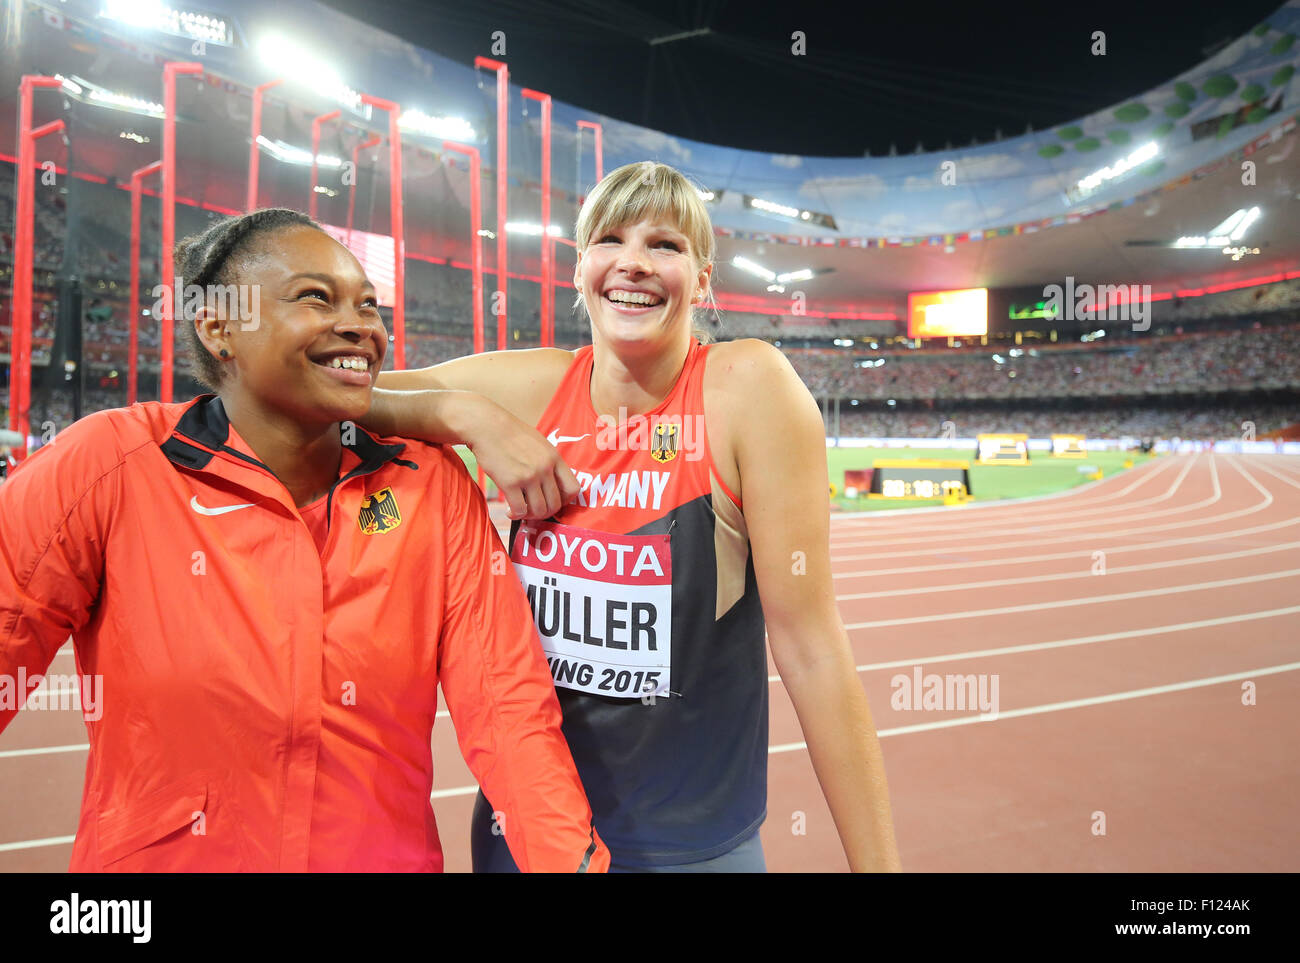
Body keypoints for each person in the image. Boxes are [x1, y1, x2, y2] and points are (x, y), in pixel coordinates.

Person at [0, 209, 608, 873]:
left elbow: (510, 712)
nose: (360, 325)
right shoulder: (110, 467)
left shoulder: (429, 488)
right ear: (218, 326)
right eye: (315, 297)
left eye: (369, 305)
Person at [368, 162, 902, 872]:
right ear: (580, 267)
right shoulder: (532, 388)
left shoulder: (747, 390)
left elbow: (812, 648)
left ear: (702, 276)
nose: (634, 264)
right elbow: (344, 395)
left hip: (692, 846)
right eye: (611, 240)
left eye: (665, 245)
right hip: (527, 833)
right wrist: (464, 414)